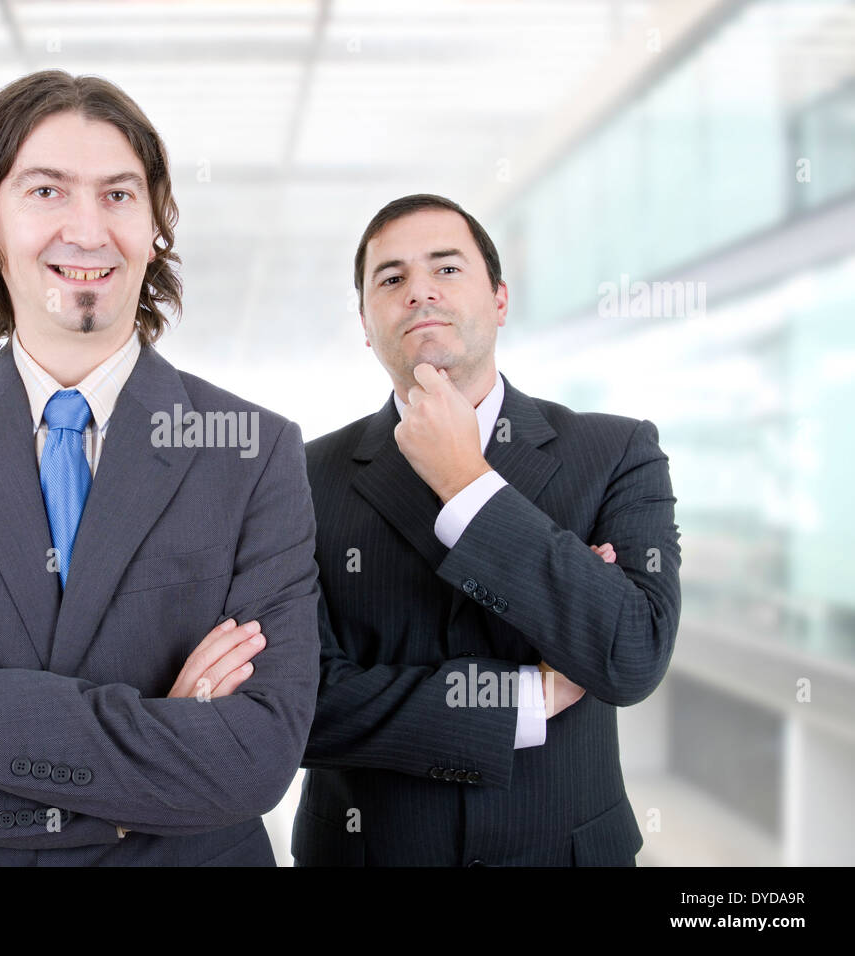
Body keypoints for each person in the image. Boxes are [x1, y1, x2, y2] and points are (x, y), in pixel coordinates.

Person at [0, 70, 320, 866]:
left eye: (119, 195)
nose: (88, 229)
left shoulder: (252, 451)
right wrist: (128, 792)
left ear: (154, 228)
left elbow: (253, 757)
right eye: (47, 191)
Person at [292, 193, 681, 866]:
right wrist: (523, 697)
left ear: (499, 300)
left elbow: (631, 652)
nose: (419, 292)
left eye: (446, 269)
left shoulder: (616, 452)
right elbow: (298, 704)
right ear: (365, 322)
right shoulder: (302, 475)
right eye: (391, 279)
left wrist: (468, 484)